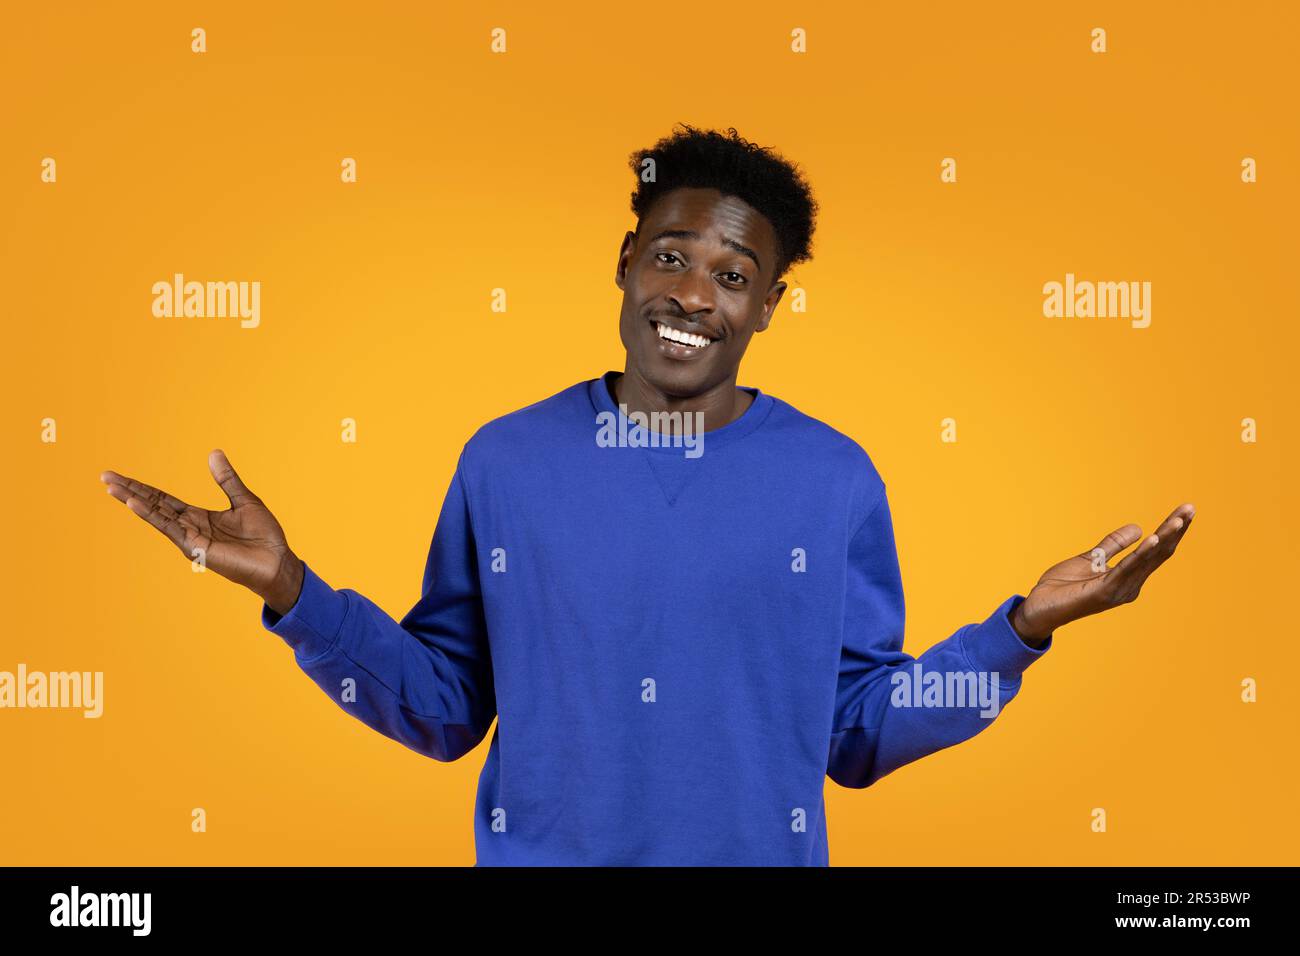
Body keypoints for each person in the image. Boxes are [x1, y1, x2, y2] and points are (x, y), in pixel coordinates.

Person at [101, 124, 1194, 866]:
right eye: (671, 257)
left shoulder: (833, 477)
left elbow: (857, 733)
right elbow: (443, 710)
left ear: (768, 306)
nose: (692, 295)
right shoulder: (504, 460)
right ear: (625, 261)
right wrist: (298, 594)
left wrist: (1018, 631)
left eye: (732, 276)